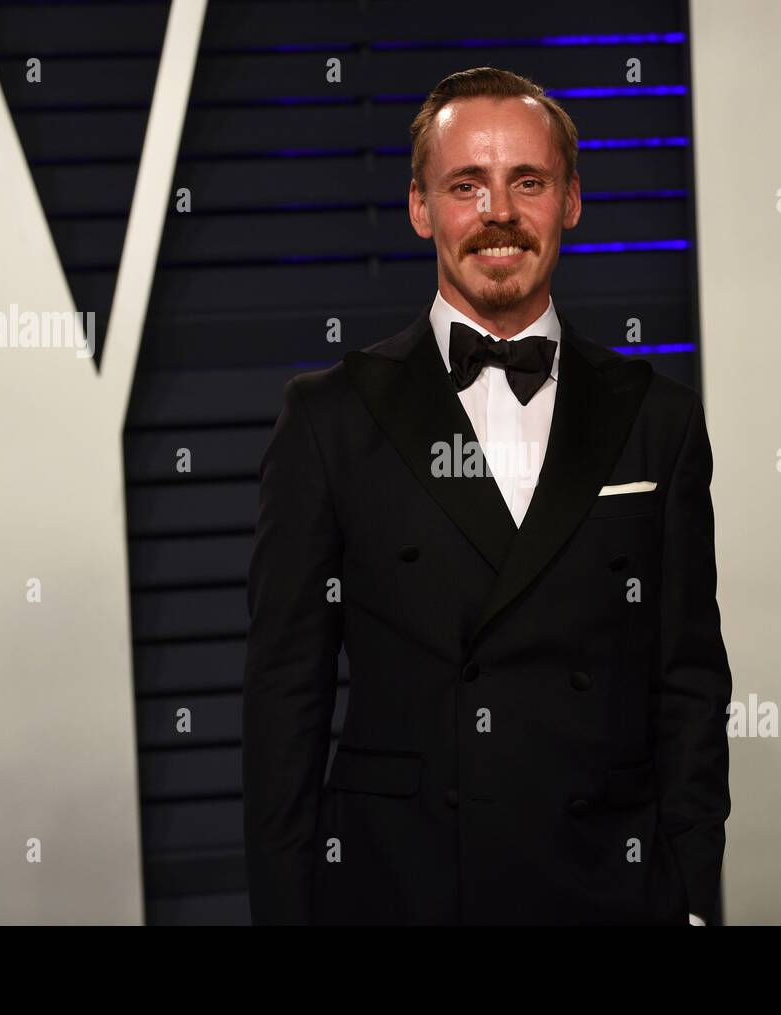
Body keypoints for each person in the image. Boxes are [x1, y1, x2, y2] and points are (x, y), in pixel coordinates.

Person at [242, 66, 731, 926]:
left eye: (528, 182)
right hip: (402, 888)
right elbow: (286, 696)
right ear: (422, 208)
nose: (498, 212)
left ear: (571, 201)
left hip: (609, 889)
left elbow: (688, 680)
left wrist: (690, 892)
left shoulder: (658, 418)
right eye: (466, 184)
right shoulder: (329, 419)